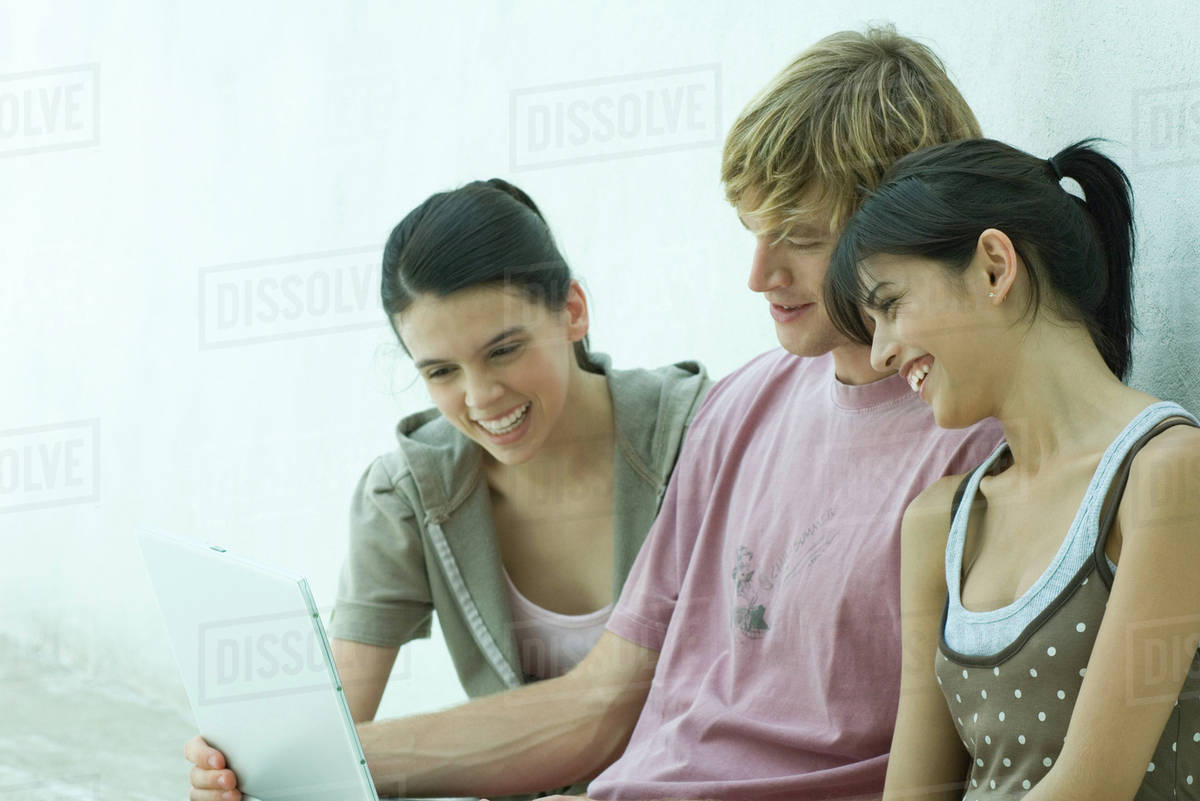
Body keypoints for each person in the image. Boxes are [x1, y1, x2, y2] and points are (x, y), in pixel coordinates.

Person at [186, 26, 1002, 801]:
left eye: (798, 237)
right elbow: (603, 702)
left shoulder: (981, 440)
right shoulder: (743, 407)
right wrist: (294, 763)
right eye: (753, 232)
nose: (758, 275)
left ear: (899, 227)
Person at [186, 177, 709, 798]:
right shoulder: (411, 493)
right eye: (441, 371)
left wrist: (318, 757)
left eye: (505, 350)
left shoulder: (702, 441)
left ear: (572, 310)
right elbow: (332, 726)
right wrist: (247, 771)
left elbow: (627, 714)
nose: (481, 397)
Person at [823, 137, 1200, 801]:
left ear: (995, 267)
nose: (880, 352)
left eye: (889, 305)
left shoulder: (1169, 476)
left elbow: (1091, 787)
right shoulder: (939, 521)